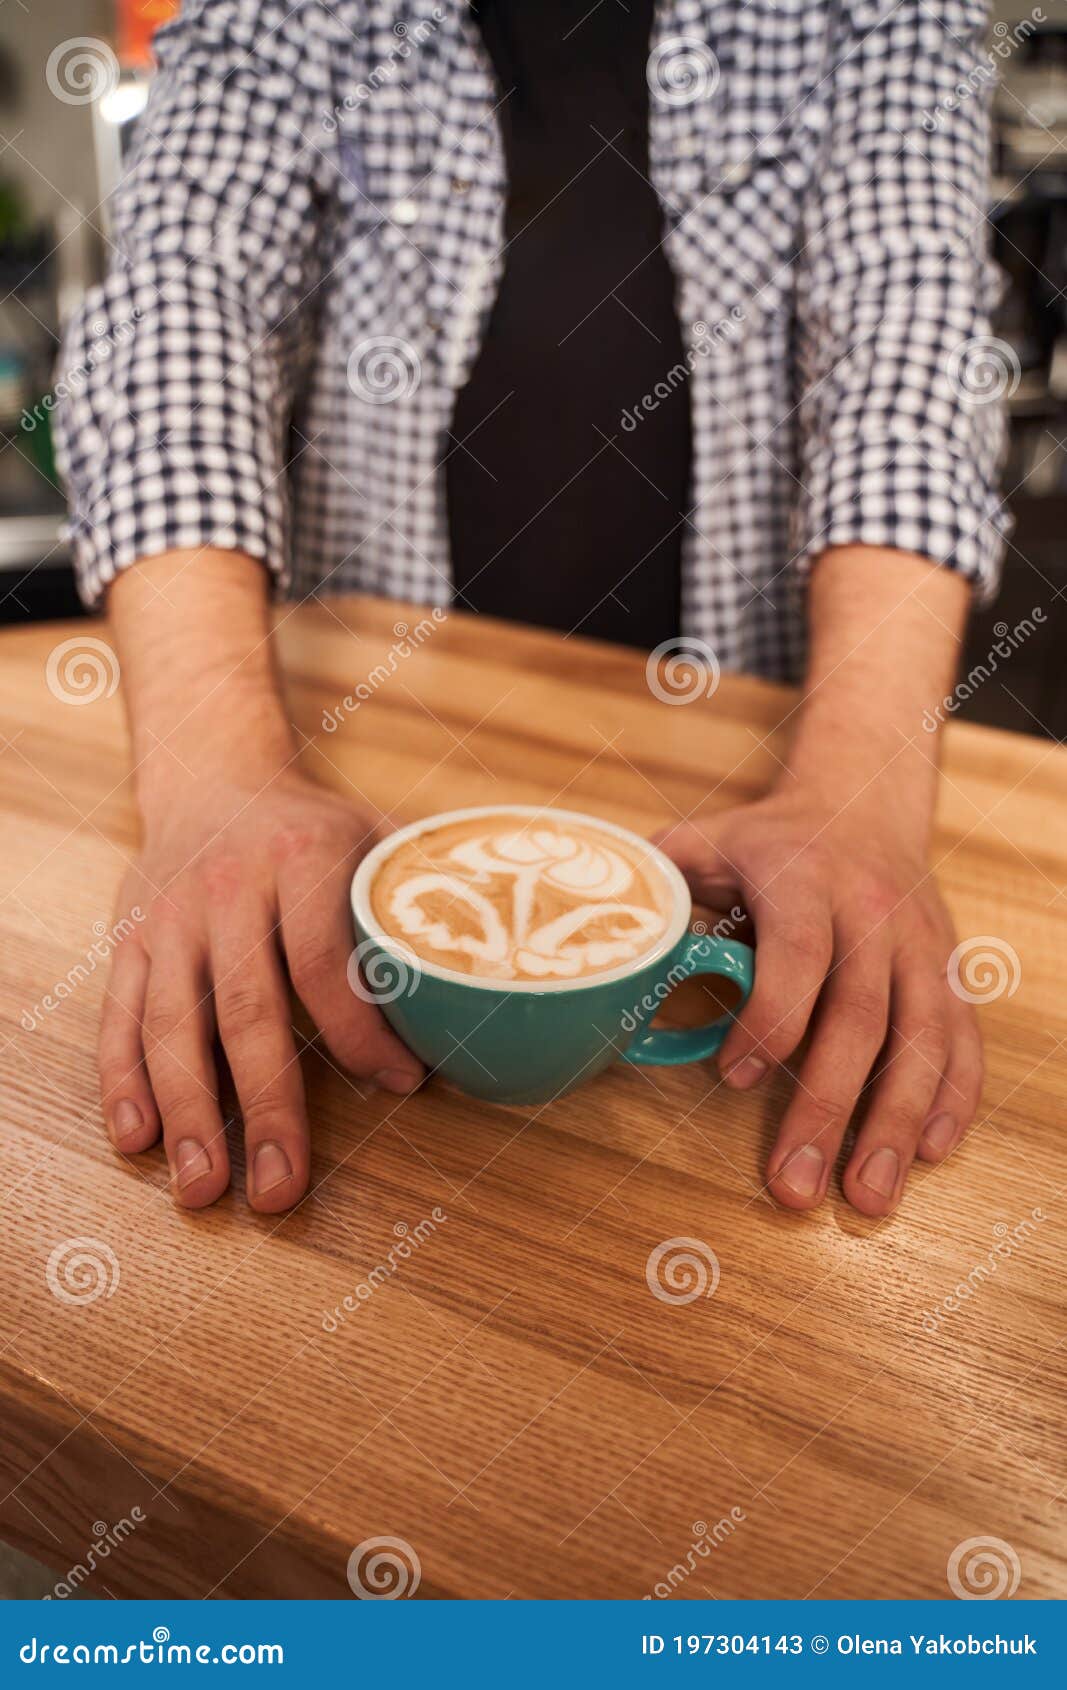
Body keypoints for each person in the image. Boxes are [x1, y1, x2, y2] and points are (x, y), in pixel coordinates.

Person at [55, 0, 1007, 1220]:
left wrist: (863, 790)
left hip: (745, 782)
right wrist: (212, 773)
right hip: (367, 764)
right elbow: (184, 300)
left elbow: (906, 337)